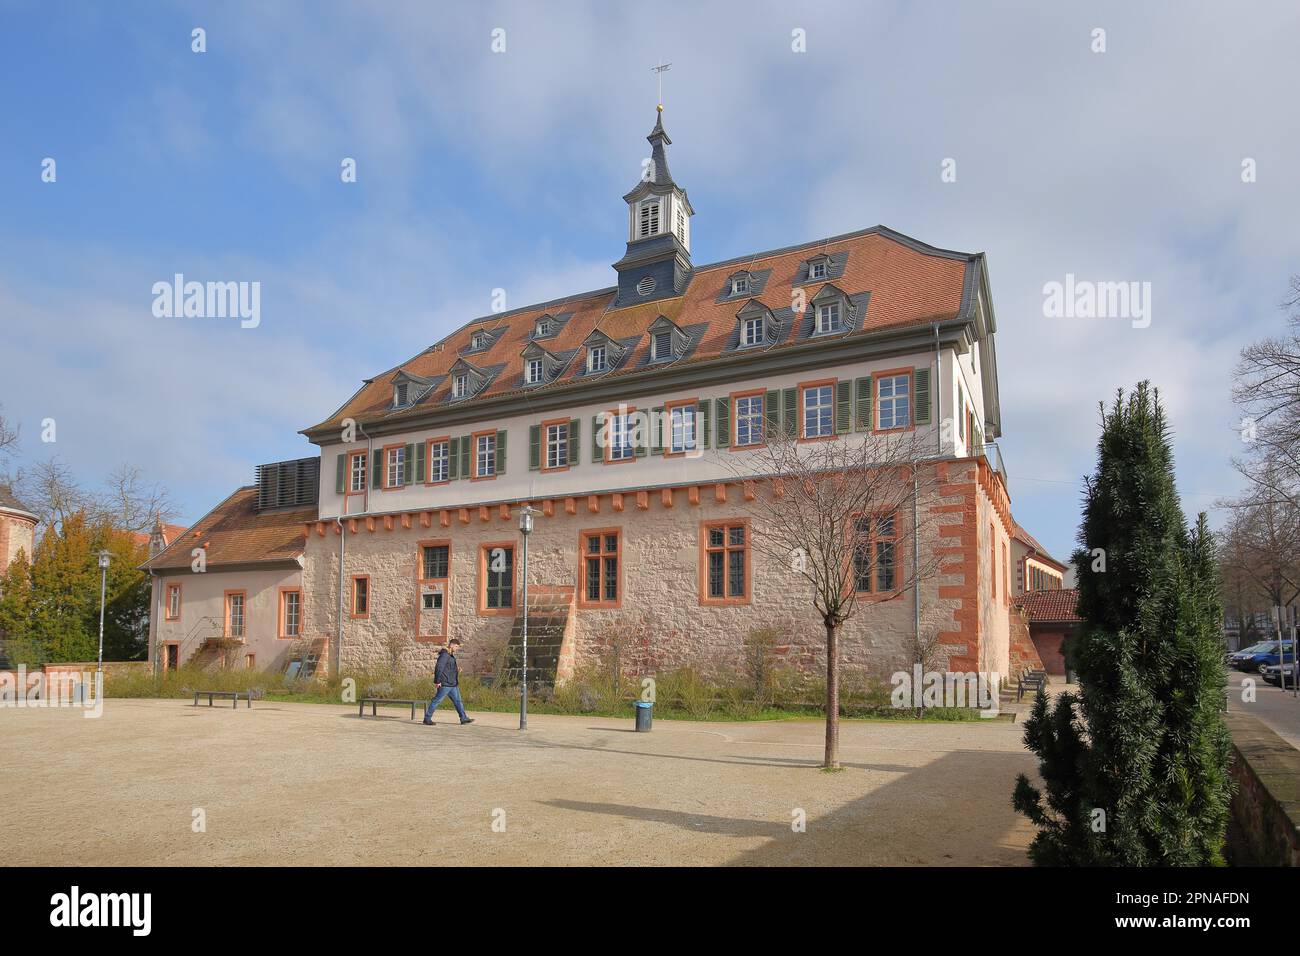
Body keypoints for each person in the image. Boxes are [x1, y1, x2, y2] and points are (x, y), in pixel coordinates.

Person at [423, 638, 474, 725]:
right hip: (445, 684)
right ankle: (427, 719)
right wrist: (437, 681)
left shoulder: (450, 655)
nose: (457, 648)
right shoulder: (444, 655)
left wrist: (456, 669)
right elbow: (439, 668)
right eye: (456, 646)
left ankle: (463, 718)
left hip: (452, 684)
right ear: (451, 645)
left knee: (458, 701)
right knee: (436, 701)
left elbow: (448, 668)